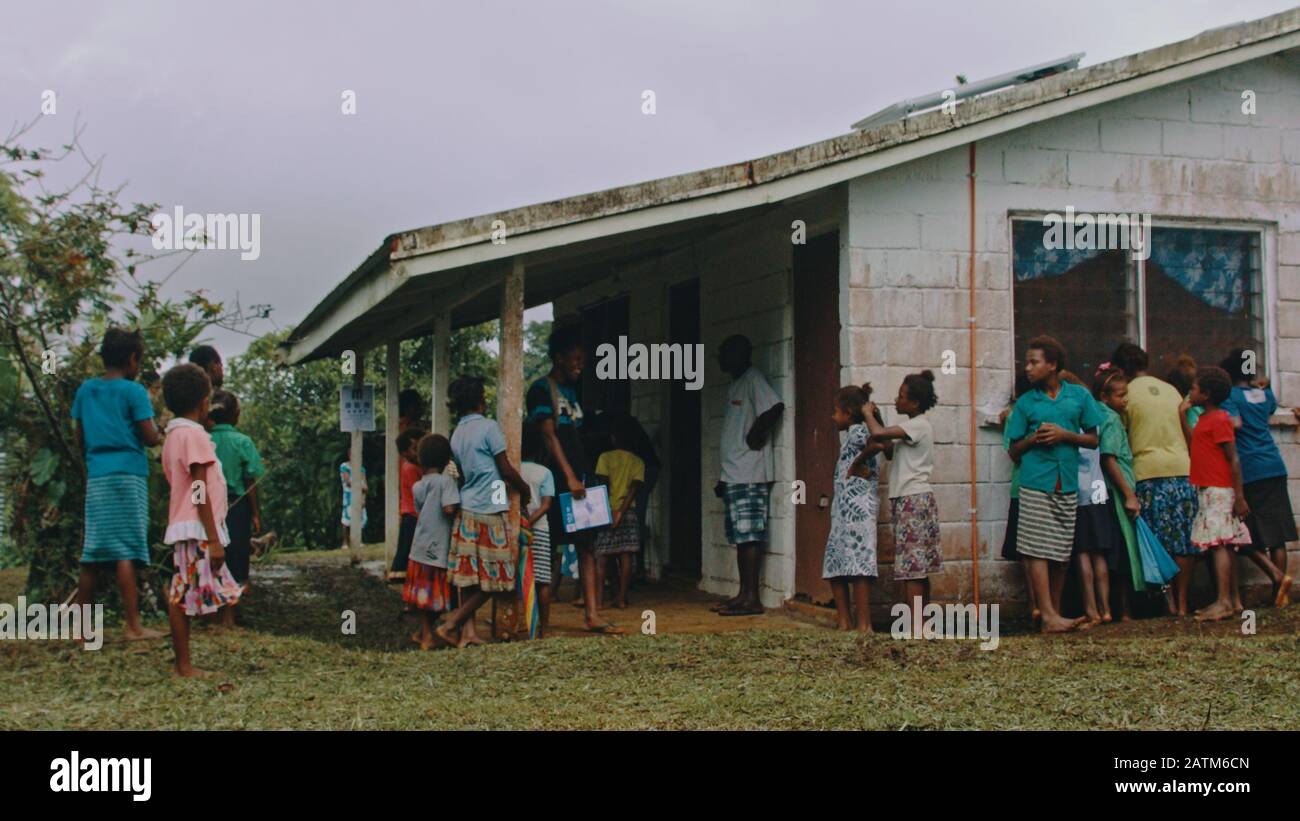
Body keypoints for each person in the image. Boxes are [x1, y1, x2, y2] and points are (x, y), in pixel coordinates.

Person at [526, 326, 623, 633]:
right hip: (555, 479)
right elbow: (548, 434)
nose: (581, 365)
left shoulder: (574, 393)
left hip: (581, 479)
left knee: (587, 546)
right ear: (558, 358)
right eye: (575, 359)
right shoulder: (541, 390)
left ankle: (592, 615)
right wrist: (567, 476)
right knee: (548, 546)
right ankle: (541, 620)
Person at [71, 328, 164, 641]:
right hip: (128, 474)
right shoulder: (133, 392)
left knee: (92, 552)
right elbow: (149, 436)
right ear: (132, 359)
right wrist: (163, 432)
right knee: (127, 550)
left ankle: (79, 626)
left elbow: (79, 435)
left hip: (98, 474)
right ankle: (133, 625)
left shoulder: (85, 390)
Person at [1006, 337, 1099, 634]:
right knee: (1036, 549)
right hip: (1035, 481)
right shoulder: (1025, 403)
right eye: (1027, 362)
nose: (1028, 368)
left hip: (1067, 482)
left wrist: (1064, 435)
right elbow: (1013, 450)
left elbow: (1094, 439)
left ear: (1053, 365)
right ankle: (1046, 613)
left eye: (1034, 362)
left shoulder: (1079, 397)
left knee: (1060, 552)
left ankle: (1054, 614)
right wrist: (1034, 438)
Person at [160, 363, 242, 676]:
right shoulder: (192, 436)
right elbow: (198, 488)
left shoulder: (176, 435)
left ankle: (185, 662)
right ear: (203, 403)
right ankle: (184, 665)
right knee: (181, 595)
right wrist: (212, 537)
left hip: (191, 526)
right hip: (197, 528)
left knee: (187, 589)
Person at [437, 376, 530, 648]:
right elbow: (505, 468)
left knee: (469, 577)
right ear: (481, 400)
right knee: (499, 578)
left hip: (467, 508)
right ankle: (452, 624)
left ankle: (469, 634)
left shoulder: (457, 433)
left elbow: (464, 475)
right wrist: (524, 490)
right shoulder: (489, 428)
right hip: (489, 509)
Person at [1112, 342, 1198, 616]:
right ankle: (1183, 604)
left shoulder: (1126, 394)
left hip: (1149, 472)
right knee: (1183, 541)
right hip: (1182, 469)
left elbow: (1121, 436)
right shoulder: (1170, 390)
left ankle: (1168, 602)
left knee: (1157, 541)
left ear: (1121, 369)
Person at [711, 334, 784, 617]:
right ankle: (743, 594)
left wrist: (757, 435)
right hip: (734, 474)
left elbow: (774, 407)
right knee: (741, 538)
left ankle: (753, 599)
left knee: (751, 536)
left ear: (741, 354)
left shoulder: (753, 378)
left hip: (750, 474)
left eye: (725, 353)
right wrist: (723, 477)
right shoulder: (736, 384)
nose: (720, 358)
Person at [866, 371, 941, 633]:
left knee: (913, 567)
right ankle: (925, 622)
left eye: (901, 397)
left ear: (915, 403)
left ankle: (918, 625)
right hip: (911, 499)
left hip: (913, 499)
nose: (896, 400)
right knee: (917, 565)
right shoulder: (911, 428)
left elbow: (877, 435)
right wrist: (876, 418)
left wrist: (866, 413)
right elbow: (887, 447)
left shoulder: (918, 425)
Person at [1220, 349, 1293, 607]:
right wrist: (1264, 383)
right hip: (1274, 466)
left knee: (1242, 535)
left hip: (1249, 471)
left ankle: (1279, 578)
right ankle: (1278, 594)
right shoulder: (1265, 394)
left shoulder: (1229, 397)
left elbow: (1233, 423)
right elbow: (1271, 404)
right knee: (1277, 535)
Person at [1185, 367, 1253, 621]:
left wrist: (1240, 495)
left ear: (1207, 394)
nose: (1190, 392)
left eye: (1193, 388)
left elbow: (1233, 458)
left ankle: (1223, 601)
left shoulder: (1221, 419)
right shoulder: (1203, 419)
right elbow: (1195, 445)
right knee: (1225, 544)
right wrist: (1183, 418)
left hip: (1219, 489)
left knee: (1219, 545)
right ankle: (1232, 600)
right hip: (1208, 488)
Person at [822, 384, 887, 632]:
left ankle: (863, 624)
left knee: (860, 564)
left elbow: (879, 444)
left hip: (858, 510)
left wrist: (856, 464)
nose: (832, 416)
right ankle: (844, 621)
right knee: (835, 561)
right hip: (843, 510)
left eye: (836, 411)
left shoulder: (859, 431)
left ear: (848, 413)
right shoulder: (852, 433)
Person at [1065, 370, 1120, 625]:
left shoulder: (1067, 421)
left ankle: (1091, 610)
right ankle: (1106, 608)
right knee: (1100, 554)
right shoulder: (1092, 420)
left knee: (1082, 554)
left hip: (1078, 492)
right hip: (1099, 489)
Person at [208, 389, 264, 627]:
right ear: (235, 415)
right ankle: (230, 615)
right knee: (236, 557)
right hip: (236, 506)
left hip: (208, 506)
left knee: (212, 558)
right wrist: (256, 514)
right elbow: (251, 480)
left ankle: (212, 611)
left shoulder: (204, 439)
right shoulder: (242, 442)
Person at [1092, 365, 1143, 622]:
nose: (1126, 400)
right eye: (1120, 395)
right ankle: (1123, 611)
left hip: (1100, 491)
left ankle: (1107, 609)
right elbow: (1109, 459)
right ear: (1105, 397)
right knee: (1122, 552)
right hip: (1116, 491)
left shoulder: (1097, 414)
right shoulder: (1110, 420)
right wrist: (1129, 495)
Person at [405, 433, 459, 648]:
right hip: (438, 546)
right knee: (434, 593)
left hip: (419, 546)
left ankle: (422, 632)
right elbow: (448, 508)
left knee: (422, 594)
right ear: (447, 460)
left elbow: (419, 510)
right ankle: (428, 636)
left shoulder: (418, 486)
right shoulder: (446, 482)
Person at [593, 415, 646, 610]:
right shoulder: (637, 462)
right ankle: (622, 598)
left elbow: (603, 485)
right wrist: (622, 511)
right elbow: (634, 489)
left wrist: (610, 511)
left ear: (614, 437)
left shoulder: (605, 458)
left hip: (606, 510)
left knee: (602, 556)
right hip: (628, 512)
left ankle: (597, 601)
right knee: (626, 557)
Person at [520, 424, 556, 636]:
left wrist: (522, 522)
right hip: (540, 530)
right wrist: (531, 521)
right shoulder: (545, 473)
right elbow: (546, 505)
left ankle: (517, 624)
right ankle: (545, 628)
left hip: (517, 531)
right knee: (543, 580)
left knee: (520, 578)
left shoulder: (513, 470)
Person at [391, 427, 425, 577]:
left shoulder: (414, 467)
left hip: (412, 514)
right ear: (404, 452)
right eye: (414, 449)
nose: (418, 452)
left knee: (407, 548)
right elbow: (418, 493)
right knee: (407, 550)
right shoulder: (410, 468)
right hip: (412, 515)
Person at [339, 460, 368, 549]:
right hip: (349, 495)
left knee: (360, 517)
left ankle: (358, 540)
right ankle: (345, 542)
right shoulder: (344, 466)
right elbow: (347, 482)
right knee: (347, 519)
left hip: (359, 495)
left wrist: (363, 498)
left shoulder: (361, 469)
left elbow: (365, 486)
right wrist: (360, 486)